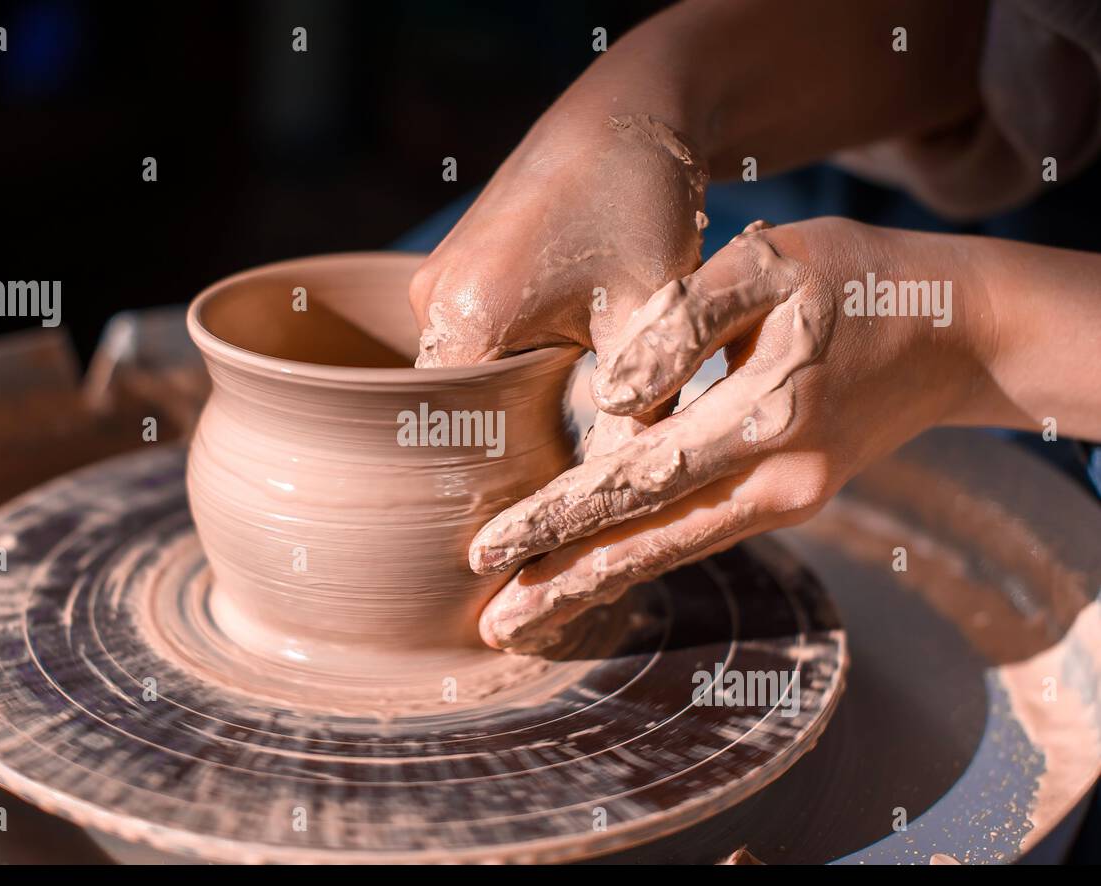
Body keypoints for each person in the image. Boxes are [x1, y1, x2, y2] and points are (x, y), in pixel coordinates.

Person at [407, 0, 1101, 651]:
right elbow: (1006, 41)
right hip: (952, 163)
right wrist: (657, 93)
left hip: (1064, 311)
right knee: (474, 271)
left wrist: (968, 326)